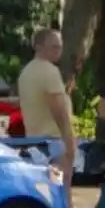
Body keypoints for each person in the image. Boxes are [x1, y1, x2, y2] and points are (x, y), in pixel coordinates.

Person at [18, 28, 76, 191]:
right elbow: (58, 110)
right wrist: (69, 141)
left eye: (60, 47)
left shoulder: (26, 72)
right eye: (54, 47)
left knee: (44, 191)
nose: (58, 50)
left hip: (34, 143)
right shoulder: (49, 71)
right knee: (61, 192)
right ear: (38, 47)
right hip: (54, 144)